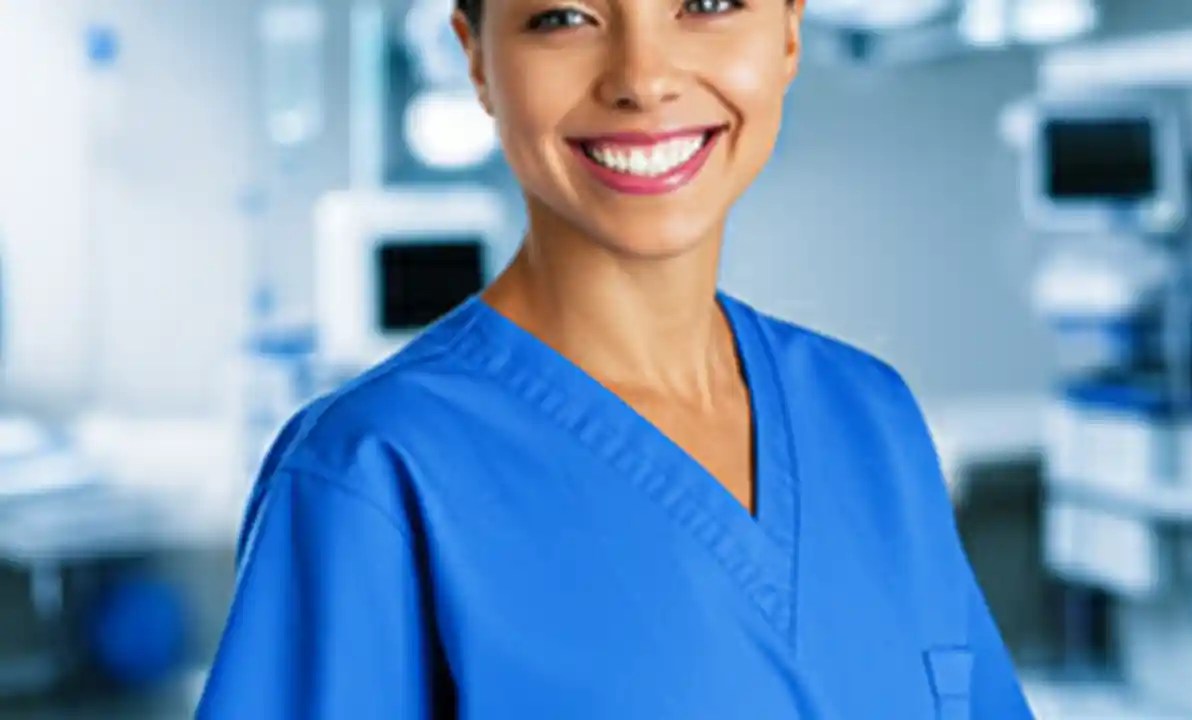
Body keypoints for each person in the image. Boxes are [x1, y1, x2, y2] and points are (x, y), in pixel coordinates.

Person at [197, 0, 1034, 713]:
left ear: (788, 31)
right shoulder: (375, 475)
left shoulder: (869, 418)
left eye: (706, 2)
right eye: (565, 16)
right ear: (477, 61)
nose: (644, 76)